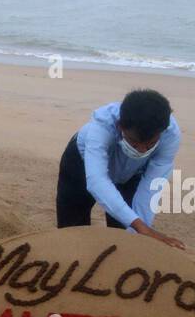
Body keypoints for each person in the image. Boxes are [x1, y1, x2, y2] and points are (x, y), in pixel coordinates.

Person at [55, 89, 185, 250]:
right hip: (81, 163)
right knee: (72, 230)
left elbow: (151, 188)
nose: (141, 150)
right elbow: (97, 181)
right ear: (120, 126)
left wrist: (141, 229)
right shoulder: (101, 126)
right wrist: (140, 226)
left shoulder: (170, 134)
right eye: (134, 143)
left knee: (126, 233)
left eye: (150, 144)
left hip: (133, 172)